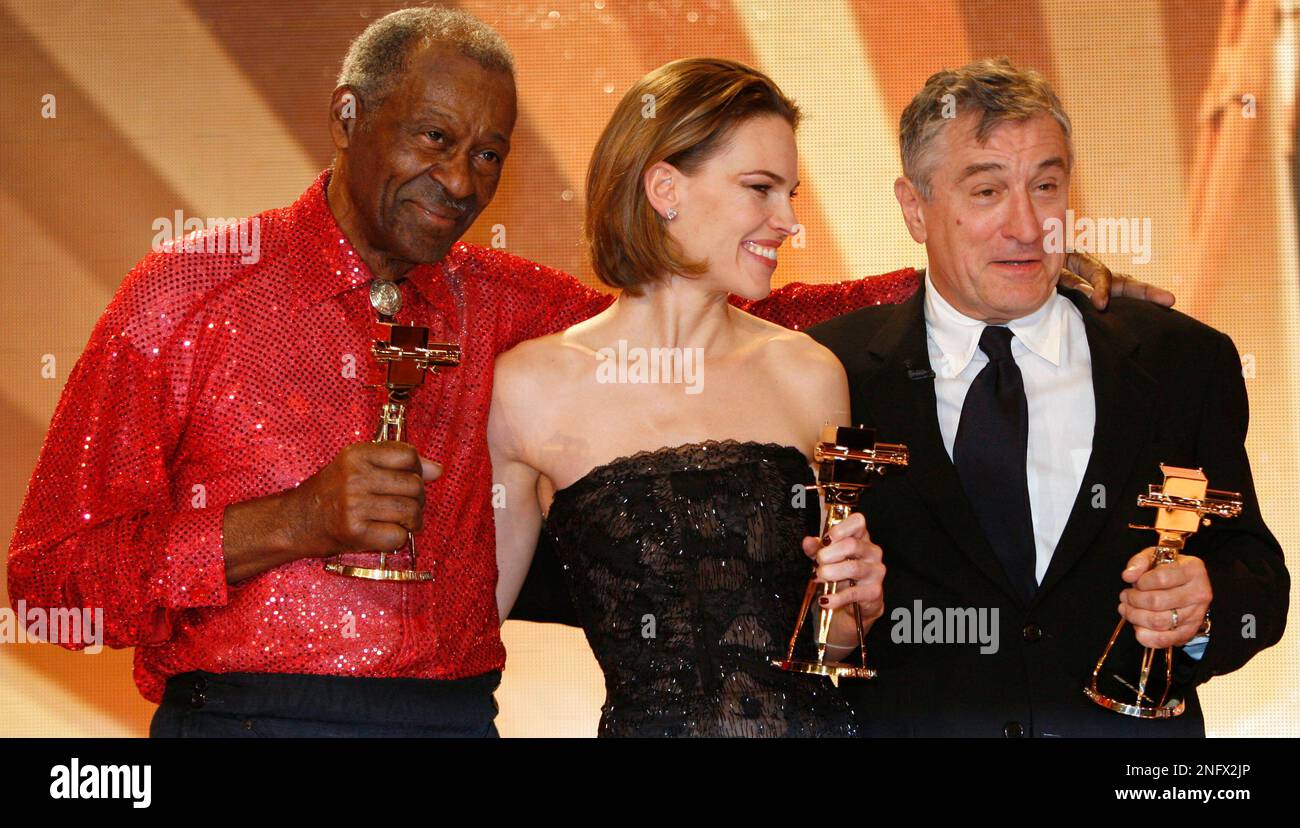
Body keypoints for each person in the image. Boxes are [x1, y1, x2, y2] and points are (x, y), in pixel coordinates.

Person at [5, 7, 1157, 738]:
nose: (459, 180)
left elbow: (722, 309)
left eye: (489, 153)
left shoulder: (503, 302)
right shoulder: (189, 295)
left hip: (462, 721)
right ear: (347, 115)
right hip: (252, 719)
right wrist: (282, 525)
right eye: (431, 137)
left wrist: (1003, 275)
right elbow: (42, 588)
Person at [808, 58, 1289, 737]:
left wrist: (1205, 610)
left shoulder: (1183, 361)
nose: (1029, 226)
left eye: (1047, 185)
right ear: (915, 208)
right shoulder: (833, 372)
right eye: (986, 192)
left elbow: (1259, 581)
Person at [491, 57, 885, 737]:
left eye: (789, 193)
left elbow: (830, 647)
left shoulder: (809, 374)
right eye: (760, 188)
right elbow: (470, 633)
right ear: (665, 188)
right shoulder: (532, 388)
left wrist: (858, 605)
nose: (788, 220)